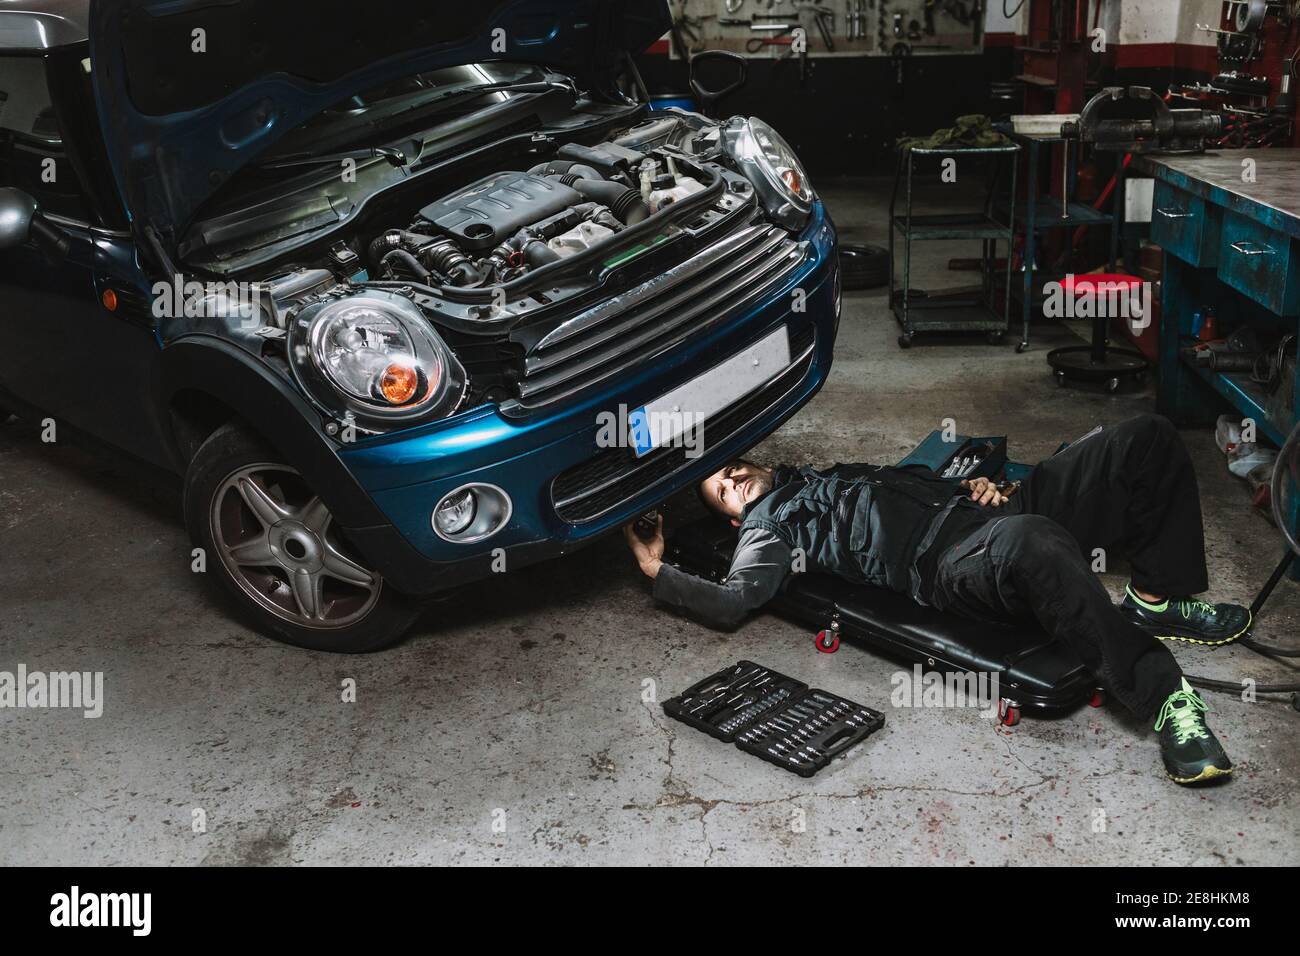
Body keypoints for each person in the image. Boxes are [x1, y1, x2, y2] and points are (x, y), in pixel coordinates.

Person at [624, 414, 1251, 785]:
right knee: (1032, 542)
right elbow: (735, 599)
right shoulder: (769, 528)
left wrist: (974, 482)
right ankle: (1164, 697)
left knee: (1145, 437)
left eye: (730, 469)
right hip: (953, 565)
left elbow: (909, 490)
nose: (732, 481)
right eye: (723, 493)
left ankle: (1154, 599)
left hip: (990, 508)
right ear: (734, 521)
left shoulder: (823, 473)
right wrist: (656, 569)